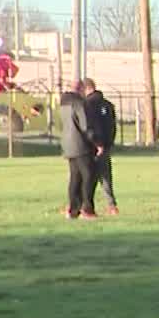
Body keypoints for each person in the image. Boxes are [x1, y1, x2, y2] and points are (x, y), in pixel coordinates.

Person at [57, 80, 102, 220]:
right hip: (81, 145)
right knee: (89, 176)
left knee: (75, 177)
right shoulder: (80, 104)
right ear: (81, 89)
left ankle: (73, 209)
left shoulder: (63, 104)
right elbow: (85, 126)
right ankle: (87, 209)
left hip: (68, 145)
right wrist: (97, 142)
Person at [82, 79, 119, 213]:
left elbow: (89, 126)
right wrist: (109, 143)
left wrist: (96, 143)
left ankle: (83, 205)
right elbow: (113, 126)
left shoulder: (87, 105)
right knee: (106, 177)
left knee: (86, 177)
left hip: (92, 146)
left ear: (86, 89)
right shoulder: (108, 105)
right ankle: (112, 205)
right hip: (106, 145)